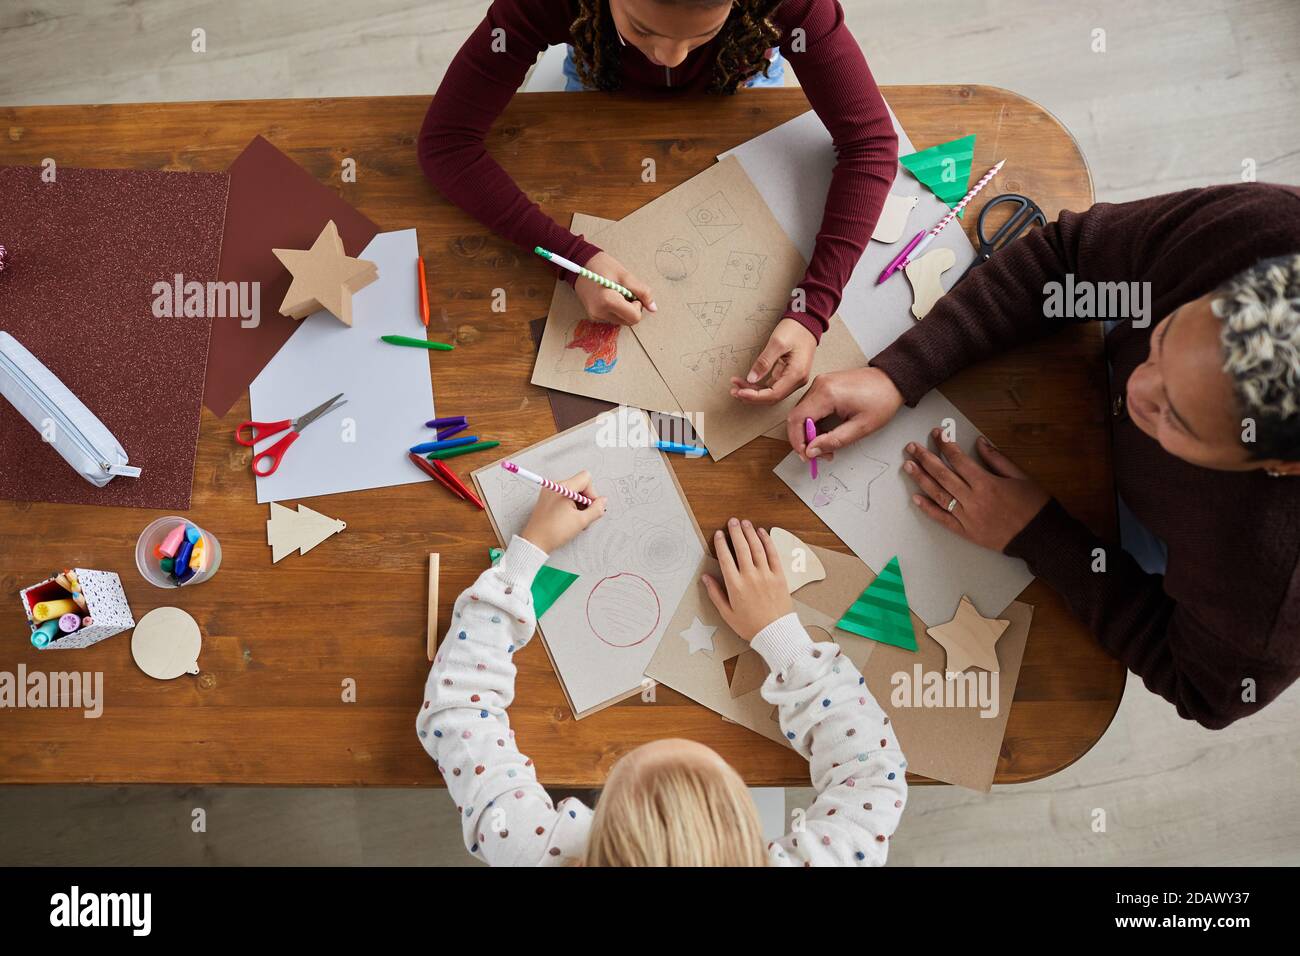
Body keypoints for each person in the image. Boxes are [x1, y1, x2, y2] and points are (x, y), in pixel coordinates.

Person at [787, 183, 1300, 729]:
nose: (1138, 386)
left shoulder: (1272, 596)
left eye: (1175, 415)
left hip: (1141, 546)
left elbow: (1198, 688)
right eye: (1164, 335)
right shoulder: (1262, 232)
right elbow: (1070, 259)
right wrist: (900, 371)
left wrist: (1041, 535)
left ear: (1282, 466)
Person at [419, 0, 898, 404]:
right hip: (601, 79)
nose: (670, 58)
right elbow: (446, 145)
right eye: (643, 28)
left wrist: (813, 309)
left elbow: (871, 144)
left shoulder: (788, 8)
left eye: (703, 32)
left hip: (739, 78)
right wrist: (573, 260)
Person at [417, 472, 907, 865]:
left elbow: (459, 708)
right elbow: (874, 776)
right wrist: (779, 635)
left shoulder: (539, 849)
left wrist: (523, 560)